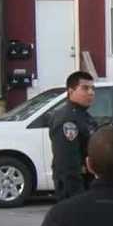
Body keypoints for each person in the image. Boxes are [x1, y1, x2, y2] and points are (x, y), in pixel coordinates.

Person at [48, 71, 98, 200]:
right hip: (73, 187)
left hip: (87, 183)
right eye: (85, 88)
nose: (91, 92)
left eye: (93, 88)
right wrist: (77, 196)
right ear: (71, 91)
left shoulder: (84, 116)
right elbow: (68, 162)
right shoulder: (67, 119)